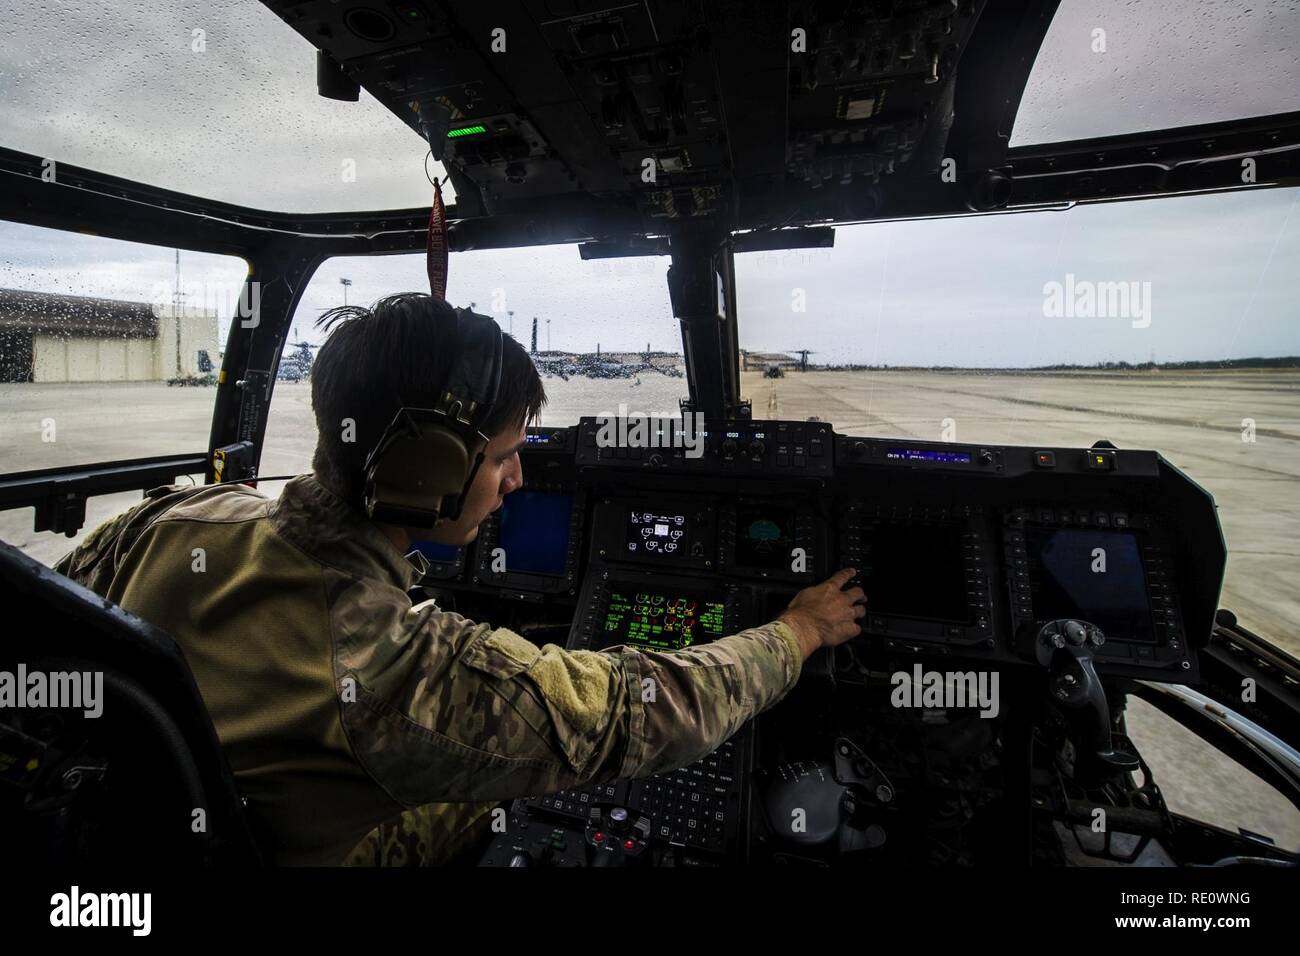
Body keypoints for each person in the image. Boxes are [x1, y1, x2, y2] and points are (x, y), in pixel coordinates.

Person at [55, 293, 865, 865]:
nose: (516, 481)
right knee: (492, 795)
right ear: (425, 466)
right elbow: (636, 710)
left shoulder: (171, 521)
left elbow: (50, 610)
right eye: (507, 454)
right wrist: (799, 631)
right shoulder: (397, 671)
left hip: (108, 833)